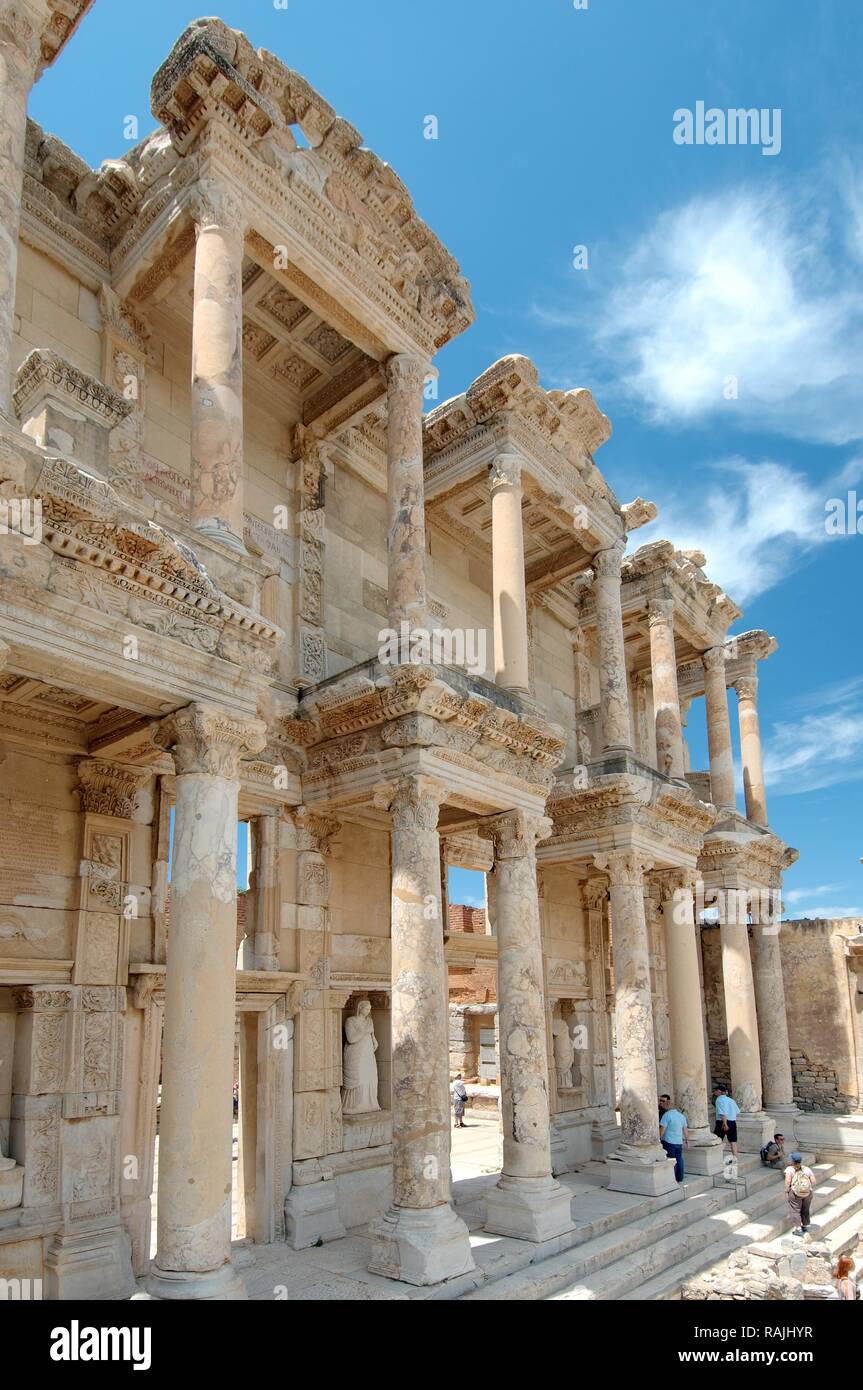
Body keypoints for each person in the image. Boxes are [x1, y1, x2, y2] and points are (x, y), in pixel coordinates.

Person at [784, 1151, 817, 1236]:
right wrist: (805, 1187)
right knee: (805, 1209)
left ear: (792, 1161)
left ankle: (798, 1229)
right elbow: (813, 1181)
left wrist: (786, 1191)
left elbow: (788, 1182)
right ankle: (805, 1226)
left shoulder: (789, 1170)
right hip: (808, 1193)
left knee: (795, 1210)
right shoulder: (807, 1169)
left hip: (795, 1193)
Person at [659, 1098, 689, 1183]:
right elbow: (685, 1129)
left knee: (671, 1160)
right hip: (678, 1142)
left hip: (668, 1141)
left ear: (667, 1106)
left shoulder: (666, 1115)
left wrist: (658, 1139)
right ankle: (680, 1177)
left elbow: (662, 1129)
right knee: (679, 1159)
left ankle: (673, 1177)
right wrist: (687, 1140)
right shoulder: (681, 1116)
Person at [713, 1084, 740, 1159]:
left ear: (719, 1091)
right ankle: (735, 1158)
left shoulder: (719, 1099)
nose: (714, 1092)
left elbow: (722, 1113)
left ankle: (716, 1158)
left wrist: (725, 1124)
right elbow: (737, 1111)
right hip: (732, 1121)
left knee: (717, 1140)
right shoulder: (731, 1100)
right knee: (733, 1141)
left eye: (715, 1090)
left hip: (722, 1122)